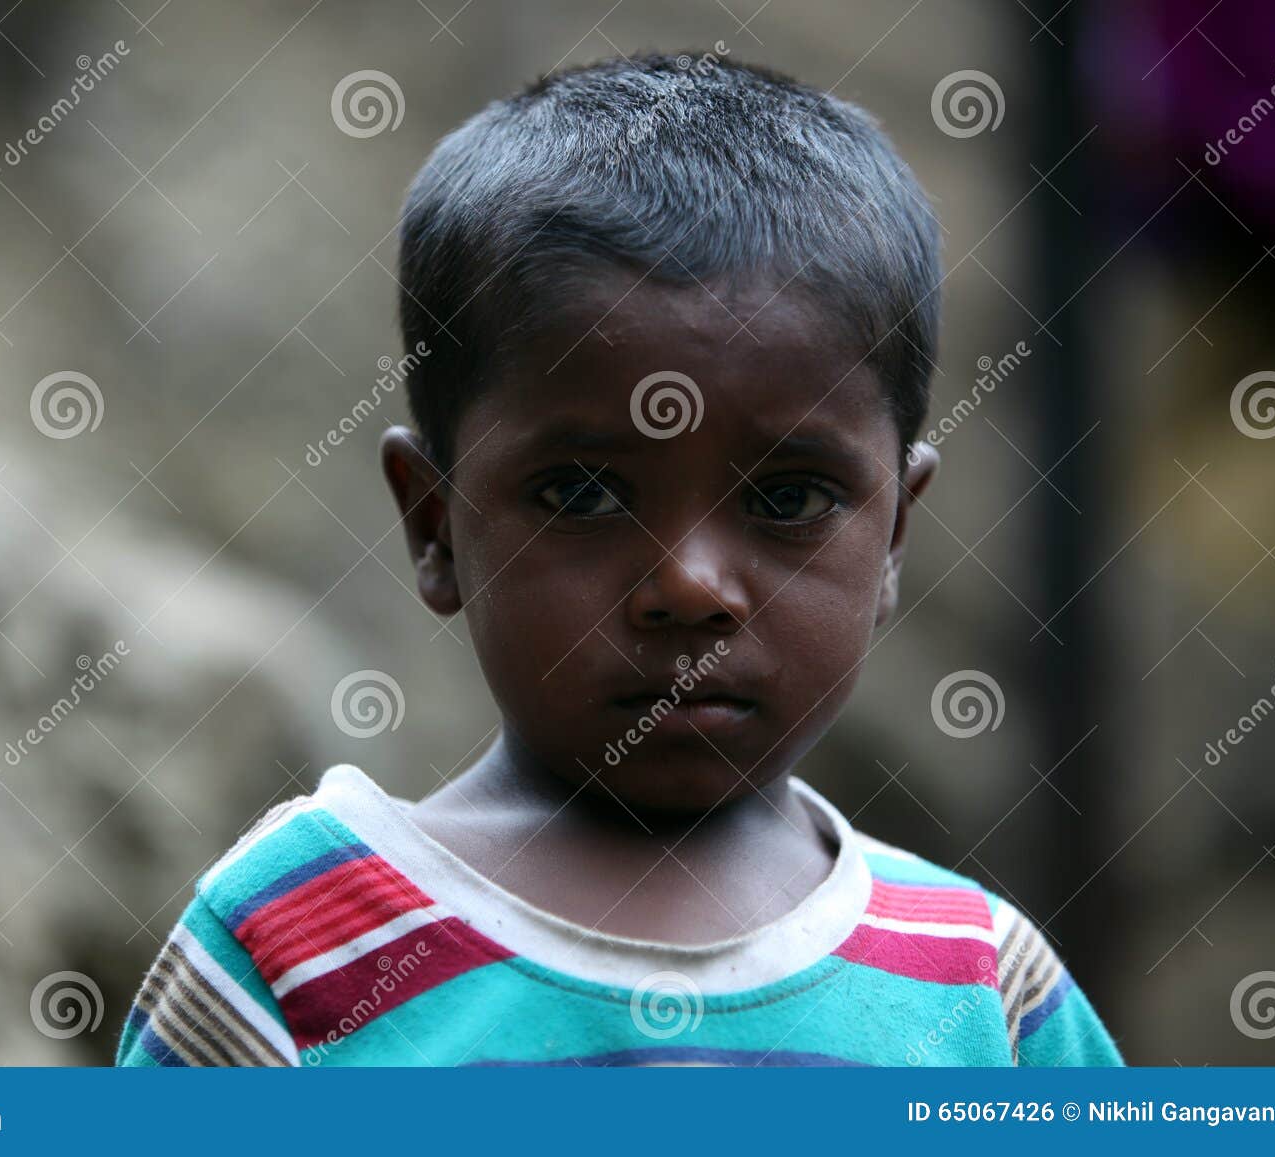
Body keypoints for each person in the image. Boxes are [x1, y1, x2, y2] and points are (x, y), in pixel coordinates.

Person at [116, 53, 1123, 1068]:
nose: (688, 584)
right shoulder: (291, 949)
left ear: (894, 533)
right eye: (582, 494)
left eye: (789, 500)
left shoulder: (986, 991)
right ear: (435, 525)